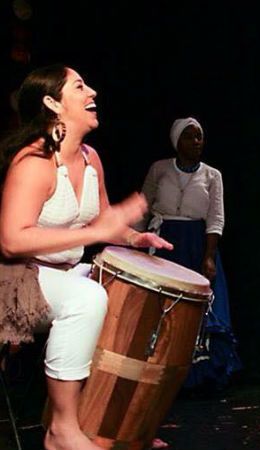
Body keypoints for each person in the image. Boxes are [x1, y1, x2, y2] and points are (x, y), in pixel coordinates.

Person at [0, 64, 171, 450]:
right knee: (87, 298)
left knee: (135, 297)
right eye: (79, 86)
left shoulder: (91, 158)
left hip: (65, 272)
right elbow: (11, 240)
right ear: (52, 103)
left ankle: (118, 423)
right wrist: (98, 233)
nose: (92, 92)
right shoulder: (34, 162)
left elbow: (101, 219)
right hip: (19, 280)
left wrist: (133, 236)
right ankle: (62, 430)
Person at [139, 117, 241, 392]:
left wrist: (208, 256)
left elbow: (215, 218)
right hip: (164, 242)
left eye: (199, 137)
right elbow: (143, 207)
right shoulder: (159, 169)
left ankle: (200, 376)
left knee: (200, 310)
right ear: (176, 141)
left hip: (197, 243)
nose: (196, 142)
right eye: (189, 136)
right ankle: (160, 372)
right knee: (164, 307)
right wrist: (136, 245)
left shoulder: (211, 175)